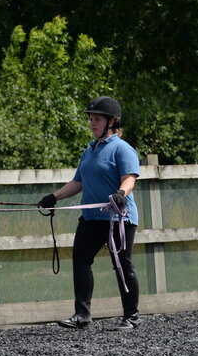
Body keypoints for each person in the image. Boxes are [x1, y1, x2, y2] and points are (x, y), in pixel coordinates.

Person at [37, 96, 142, 330]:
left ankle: (132, 316)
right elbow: (77, 183)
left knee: (122, 264)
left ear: (111, 122)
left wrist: (120, 194)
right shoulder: (89, 151)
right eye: (91, 120)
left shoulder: (122, 149)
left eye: (97, 120)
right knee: (81, 261)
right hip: (92, 218)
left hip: (118, 218)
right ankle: (82, 315)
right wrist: (54, 197)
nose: (92, 124)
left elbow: (129, 178)